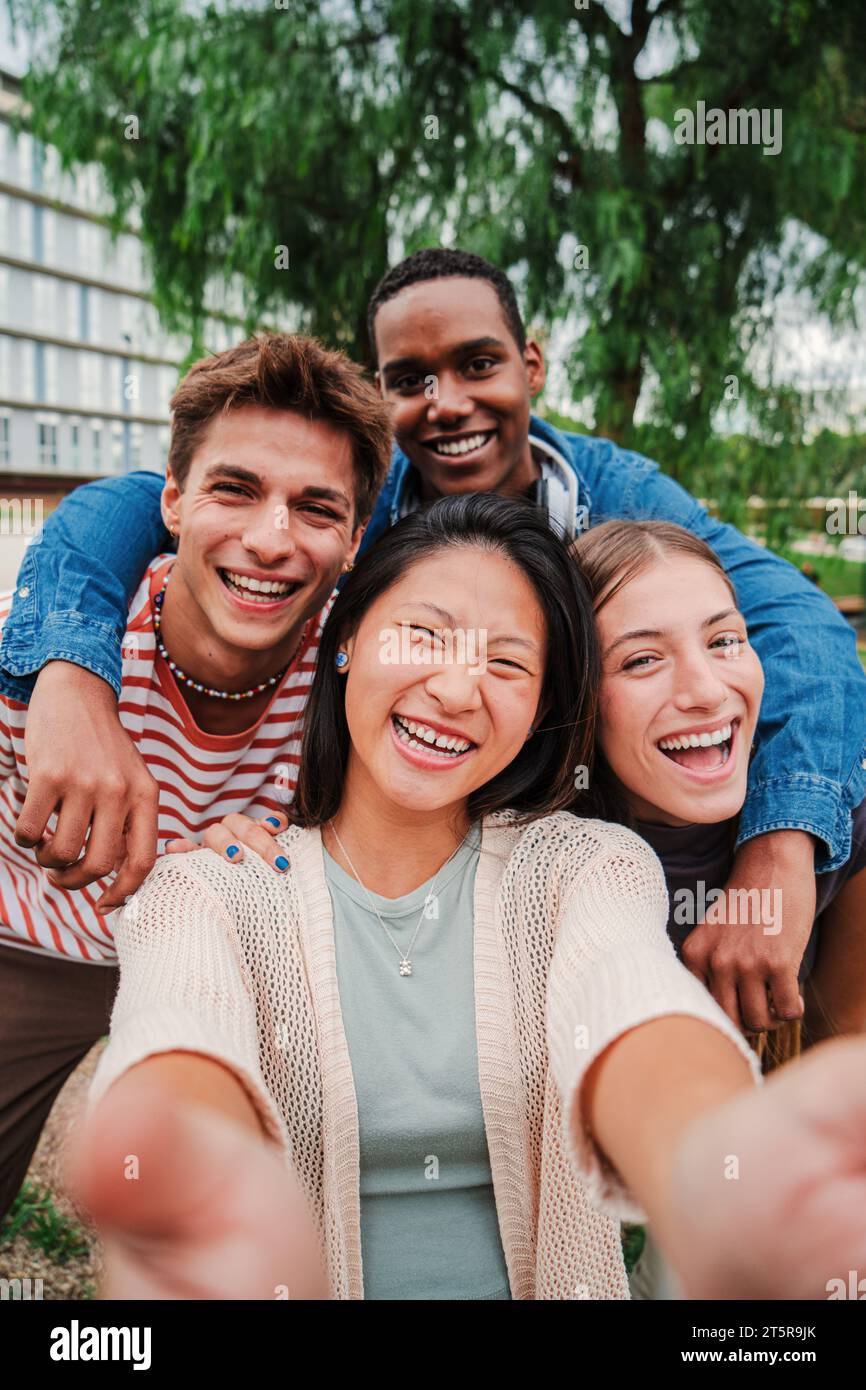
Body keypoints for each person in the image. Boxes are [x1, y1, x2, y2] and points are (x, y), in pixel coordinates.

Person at [2, 250, 864, 1030]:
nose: (447, 403)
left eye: (478, 364)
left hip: (600, 806)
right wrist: (73, 674)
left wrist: (779, 847)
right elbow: (122, 508)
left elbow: (792, 624)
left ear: (531, 366)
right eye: (409, 377)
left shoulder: (617, 494)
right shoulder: (349, 510)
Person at [65, 495, 866, 1302]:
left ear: (543, 708)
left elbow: (631, 1003)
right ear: (345, 642)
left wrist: (711, 1149)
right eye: (423, 634)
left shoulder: (585, 866)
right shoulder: (206, 890)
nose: (455, 688)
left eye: (508, 664)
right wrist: (193, 1163)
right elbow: (178, 1027)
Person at [0, 333, 391, 1222]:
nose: (270, 540)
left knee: (271, 1216)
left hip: (236, 957)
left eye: (316, 508)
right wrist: (70, 685)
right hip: (28, 944)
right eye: (235, 489)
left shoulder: (362, 675)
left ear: (356, 538)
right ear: (172, 499)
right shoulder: (40, 652)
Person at [572, 520, 866, 1047]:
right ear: (575, 698)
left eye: (725, 641)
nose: (707, 691)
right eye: (642, 660)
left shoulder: (847, 825)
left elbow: (846, 1073)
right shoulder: (526, 864)